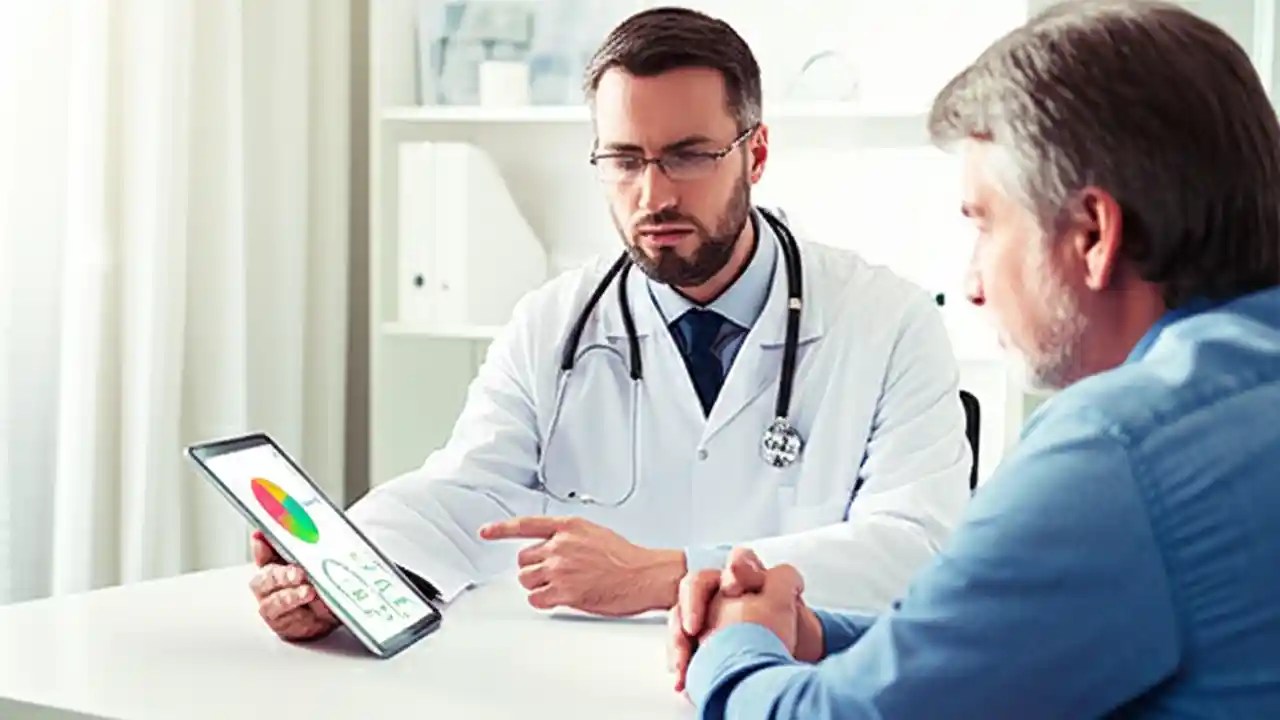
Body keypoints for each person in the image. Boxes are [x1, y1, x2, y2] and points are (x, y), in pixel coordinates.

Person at [247, 7, 973, 642]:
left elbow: (917, 549)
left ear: (755, 153)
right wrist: (345, 572)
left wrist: (667, 575)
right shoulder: (553, 324)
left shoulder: (887, 323)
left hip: (783, 681)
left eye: (689, 156)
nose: (652, 194)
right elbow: (464, 494)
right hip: (582, 686)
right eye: (624, 160)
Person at [667, 1, 1280, 717]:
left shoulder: (1119, 453)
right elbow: (1022, 645)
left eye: (985, 224)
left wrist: (736, 649)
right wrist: (806, 633)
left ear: (1091, 235)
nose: (974, 284)